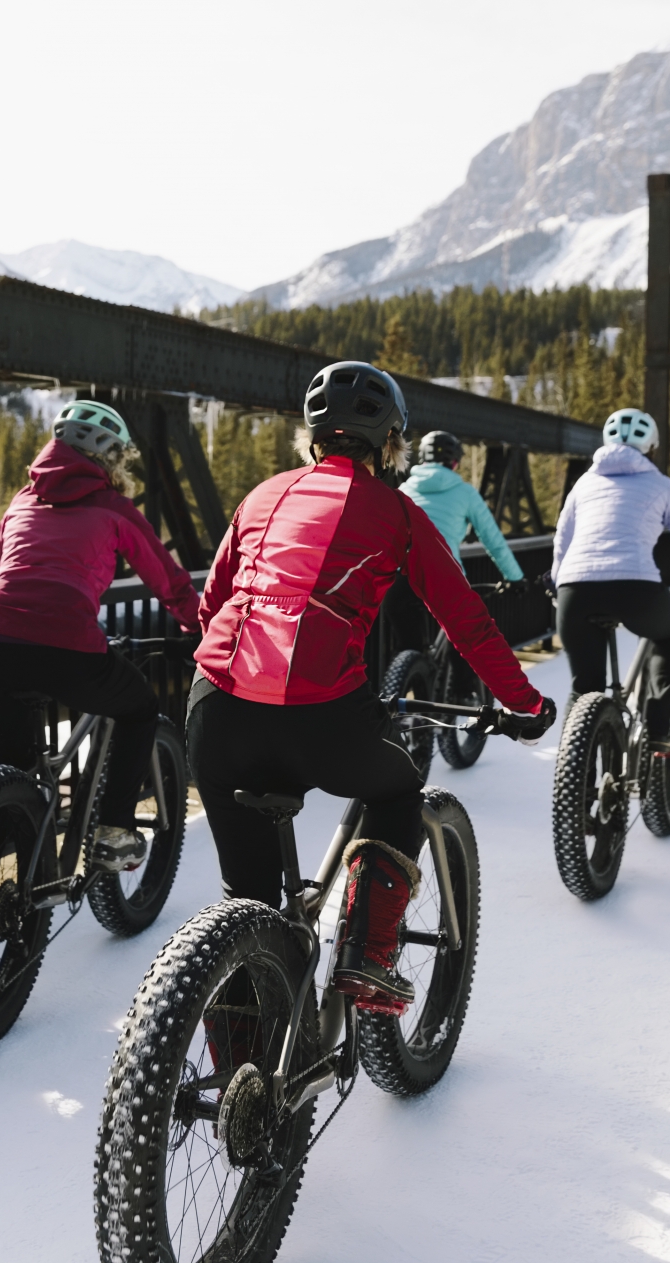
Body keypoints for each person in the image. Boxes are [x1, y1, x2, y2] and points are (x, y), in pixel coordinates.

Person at [191, 361, 558, 1014]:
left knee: (246, 899)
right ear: (390, 443)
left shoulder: (263, 494)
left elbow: (210, 603)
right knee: (398, 791)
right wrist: (524, 701)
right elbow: (466, 620)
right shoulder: (396, 511)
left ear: (314, 436)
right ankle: (366, 953)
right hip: (321, 718)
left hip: (216, 709)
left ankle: (241, 1077)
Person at [0, 400, 201, 872]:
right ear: (110, 458)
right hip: (66, 643)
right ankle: (113, 830)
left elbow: (0, 569)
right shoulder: (113, 506)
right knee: (138, 709)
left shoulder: (21, 500)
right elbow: (168, 579)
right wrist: (200, 628)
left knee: (8, 754)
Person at [550, 407, 670, 756]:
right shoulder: (661, 486)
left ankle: (572, 767)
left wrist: (557, 586)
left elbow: (562, 543)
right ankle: (658, 731)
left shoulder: (584, 484)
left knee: (585, 690)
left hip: (574, 591)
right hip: (635, 589)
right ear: (652, 448)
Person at [400, 431, 525, 581]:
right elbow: (493, 540)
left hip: (402, 578)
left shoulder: (403, 491)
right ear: (455, 462)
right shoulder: (466, 493)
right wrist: (515, 578)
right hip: (446, 577)